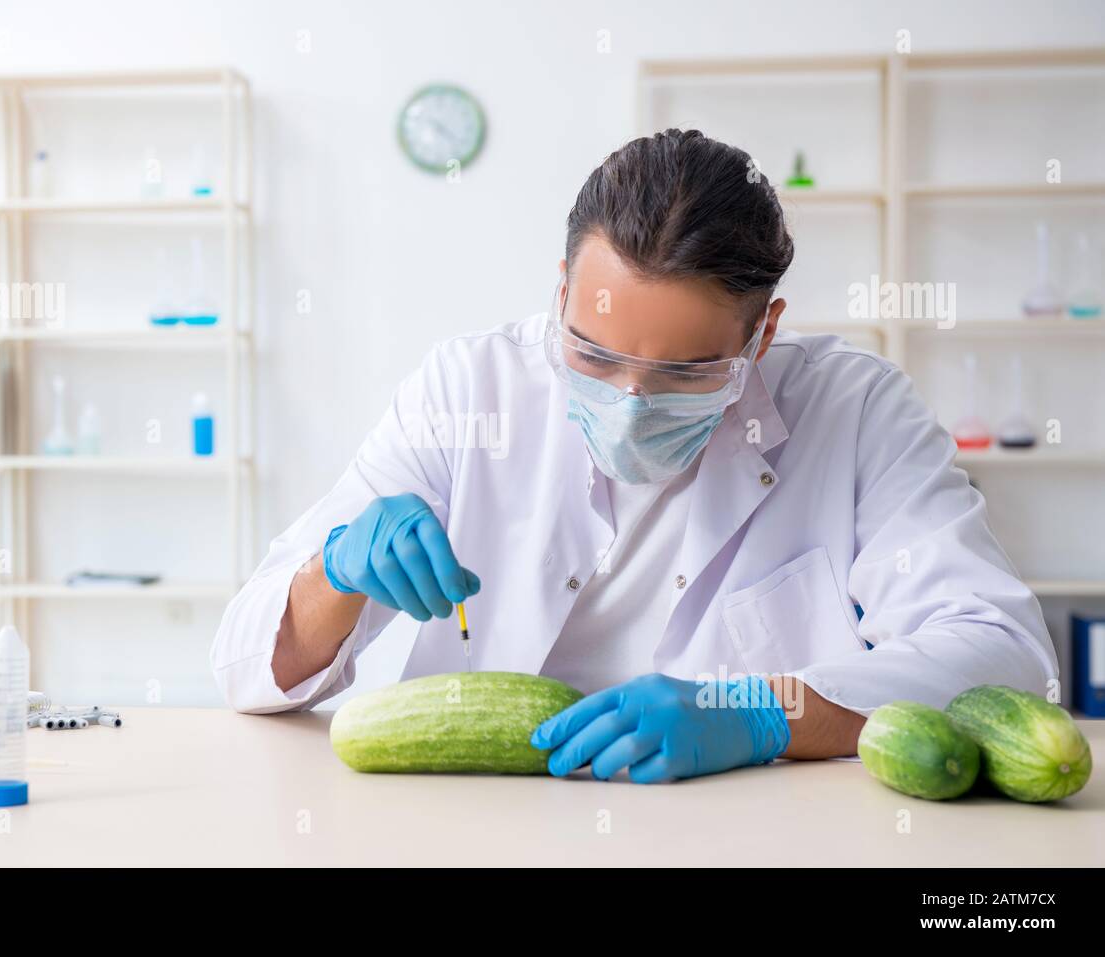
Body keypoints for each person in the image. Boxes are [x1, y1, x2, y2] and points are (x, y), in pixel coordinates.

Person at [211, 129, 1056, 783]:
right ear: (562, 290)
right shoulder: (466, 392)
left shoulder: (856, 410)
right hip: (484, 820)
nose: (630, 400)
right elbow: (248, 666)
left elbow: (1004, 656)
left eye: (685, 372)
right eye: (592, 352)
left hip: (754, 827)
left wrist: (761, 711)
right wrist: (338, 571)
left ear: (763, 332)